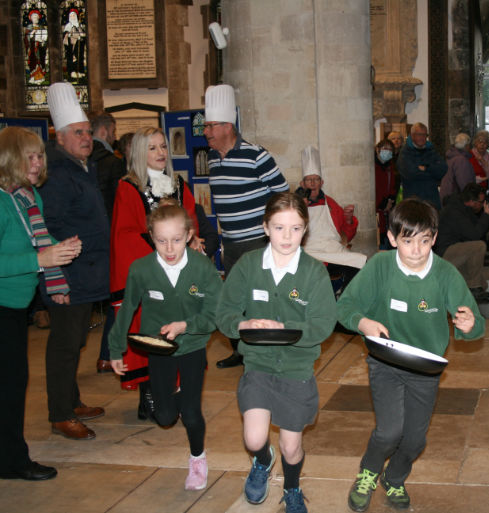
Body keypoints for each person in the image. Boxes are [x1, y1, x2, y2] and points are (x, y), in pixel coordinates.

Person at [338, 198, 485, 512]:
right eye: (407, 241)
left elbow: (475, 321)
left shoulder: (444, 273)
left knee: (416, 440)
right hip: (385, 362)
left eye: (425, 240)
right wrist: (363, 322)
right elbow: (345, 307)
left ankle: (394, 477)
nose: (417, 250)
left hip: (425, 368)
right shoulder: (380, 265)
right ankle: (368, 471)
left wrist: (469, 324)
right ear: (392, 239)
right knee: (389, 431)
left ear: (434, 237)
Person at [216, 192, 336, 513]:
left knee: (291, 446)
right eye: (279, 228)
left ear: (305, 230)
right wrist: (244, 325)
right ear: (265, 227)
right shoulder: (249, 265)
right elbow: (224, 313)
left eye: (296, 229)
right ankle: (262, 462)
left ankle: (293, 487)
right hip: (257, 364)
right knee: (254, 439)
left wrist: (285, 329)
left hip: (297, 370)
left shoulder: (313, 272)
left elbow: (324, 325)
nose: (287, 237)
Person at [109, 202, 221, 491]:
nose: (169, 248)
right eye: (161, 240)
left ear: (188, 235)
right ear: (150, 237)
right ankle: (179, 398)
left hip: (192, 344)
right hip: (158, 347)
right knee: (165, 416)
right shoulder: (141, 269)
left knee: (192, 413)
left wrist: (186, 325)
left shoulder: (202, 268)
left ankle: (198, 459)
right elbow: (127, 307)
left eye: (176, 239)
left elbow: (215, 312)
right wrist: (115, 348)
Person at [0, 127, 82, 481]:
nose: (37, 164)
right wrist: (41, 259)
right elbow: (27, 254)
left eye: (39, 156)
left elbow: (38, 237)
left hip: (17, 307)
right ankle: (13, 460)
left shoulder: (27, 197)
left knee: (14, 383)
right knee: (11, 385)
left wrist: (59, 252)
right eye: (30, 156)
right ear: (9, 159)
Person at [110, 127, 202, 418]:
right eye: (152, 148)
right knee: (149, 333)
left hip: (180, 270)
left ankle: (176, 391)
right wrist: (159, 254)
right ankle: (149, 392)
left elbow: (190, 219)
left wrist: (192, 238)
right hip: (151, 272)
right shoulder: (129, 186)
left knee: (179, 331)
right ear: (139, 152)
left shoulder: (178, 183)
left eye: (163, 146)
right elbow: (124, 233)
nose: (161, 153)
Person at [38, 82, 109, 440]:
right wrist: (57, 280)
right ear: (61, 137)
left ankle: (72, 400)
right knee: (64, 346)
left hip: (88, 274)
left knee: (76, 340)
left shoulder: (82, 166)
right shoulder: (57, 174)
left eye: (87, 132)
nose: (87, 138)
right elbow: (48, 231)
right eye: (79, 133)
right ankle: (60, 413)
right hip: (69, 276)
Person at [205, 84, 289, 369]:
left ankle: (266, 350)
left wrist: (274, 235)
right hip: (230, 243)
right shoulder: (213, 159)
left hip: (256, 242)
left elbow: (282, 194)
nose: (206, 132)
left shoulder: (256, 155)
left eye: (210, 127)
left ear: (228, 126)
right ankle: (240, 350)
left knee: (261, 299)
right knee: (234, 300)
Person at [295, 145, 366, 298]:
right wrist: (300, 209)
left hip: (332, 249)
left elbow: (347, 235)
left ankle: (345, 300)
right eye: (309, 180)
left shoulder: (331, 204)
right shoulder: (295, 204)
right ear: (302, 184)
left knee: (359, 260)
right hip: (308, 250)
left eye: (316, 179)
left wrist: (348, 220)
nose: (313, 183)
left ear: (322, 182)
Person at [90, 111, 127, 374]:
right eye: (113, 131)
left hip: (87, 242)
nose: (114, 137)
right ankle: (107, 354)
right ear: (105, 130)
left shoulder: (84, 162)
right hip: (111, 239)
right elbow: (118, 207)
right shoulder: (113, 164)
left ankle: (104, 355)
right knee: (120, 296)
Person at [434, 183, 489, 303]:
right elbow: (475, 235)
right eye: (481, 202)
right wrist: (486, 215)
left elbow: (478, 230)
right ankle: (473, 288)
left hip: (455, 250)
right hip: (445, 253)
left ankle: (470, 287)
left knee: (484, 285)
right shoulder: (454, 211)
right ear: (471, 201)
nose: (483, 205)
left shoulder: (463, 208)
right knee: (479, 247)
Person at [397, 123, 447, 210]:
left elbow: (443, 169)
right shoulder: (405, 153)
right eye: (419, 134)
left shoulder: (431, 150)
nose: (422, 137)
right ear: (412, 135)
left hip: (432, 199)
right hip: (413, 200)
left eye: (425, 135)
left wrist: (426, 168)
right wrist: (432, 174)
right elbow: (411, 174)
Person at [374, 139, 399, 249]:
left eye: (390, 149)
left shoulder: (390, 166)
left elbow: (393, 186)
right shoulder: (372, 166)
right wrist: (382, 203)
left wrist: (391, 200)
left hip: (387, 210)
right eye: (385, 148)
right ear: (378, 149)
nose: (387, 151)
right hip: (377, 209)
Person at [439, 133, 475, 204]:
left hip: (446, 196)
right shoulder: (461, 160)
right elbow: (464, 184)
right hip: (455, 198)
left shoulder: (451, 157)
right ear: (466, 146)